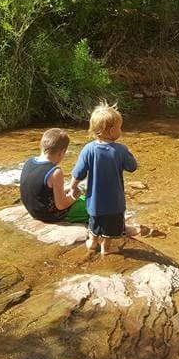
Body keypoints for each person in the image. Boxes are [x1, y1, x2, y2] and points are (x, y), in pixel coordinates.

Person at [69, 102, 138, 255]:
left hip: (94, 203)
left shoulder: (88, 149)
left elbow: (78, 173)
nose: (121, 130)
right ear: (113, 130)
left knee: (94, 225)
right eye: (120, 127)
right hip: (115, 204)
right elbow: (132, 167)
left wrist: (73, 187)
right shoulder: (120, 150)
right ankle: (106, 249)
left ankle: (92, 243)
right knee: (111, 231)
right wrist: (129, 152)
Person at [19, 128, 88, 224]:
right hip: (50, 215)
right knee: (94, 207)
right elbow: (61, 205)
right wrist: (74, 197)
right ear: (61, 152)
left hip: (34, 211)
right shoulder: (55, 172)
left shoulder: (29, 162)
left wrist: (68, 189)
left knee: (84, 199)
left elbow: (41, 192)